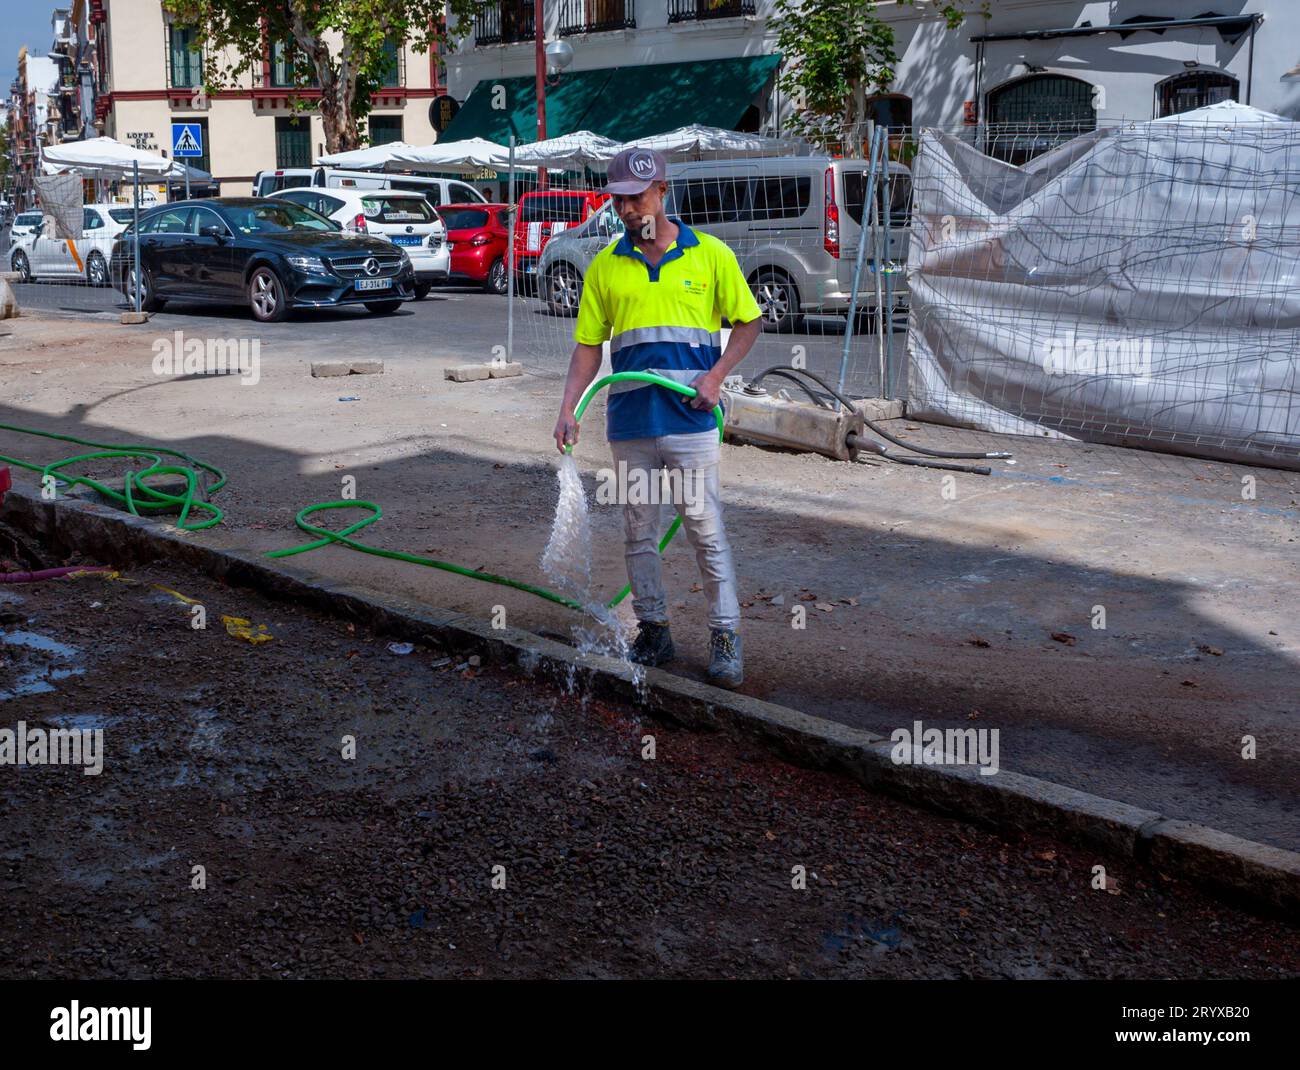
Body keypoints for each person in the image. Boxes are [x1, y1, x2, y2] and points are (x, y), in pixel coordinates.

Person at [552, 146, 762, 688]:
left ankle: (725, 635)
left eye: (636, 197)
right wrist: (569, 407)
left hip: (691, 422)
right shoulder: (605, 266)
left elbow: (746, 324)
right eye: (618, 199)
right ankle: (654, 629)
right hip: (630, 424)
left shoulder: (710, 255)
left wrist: (715, 378)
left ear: (662, 192)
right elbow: (587, 349)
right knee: (639, 532)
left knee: (705, 532)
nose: (626, 209)